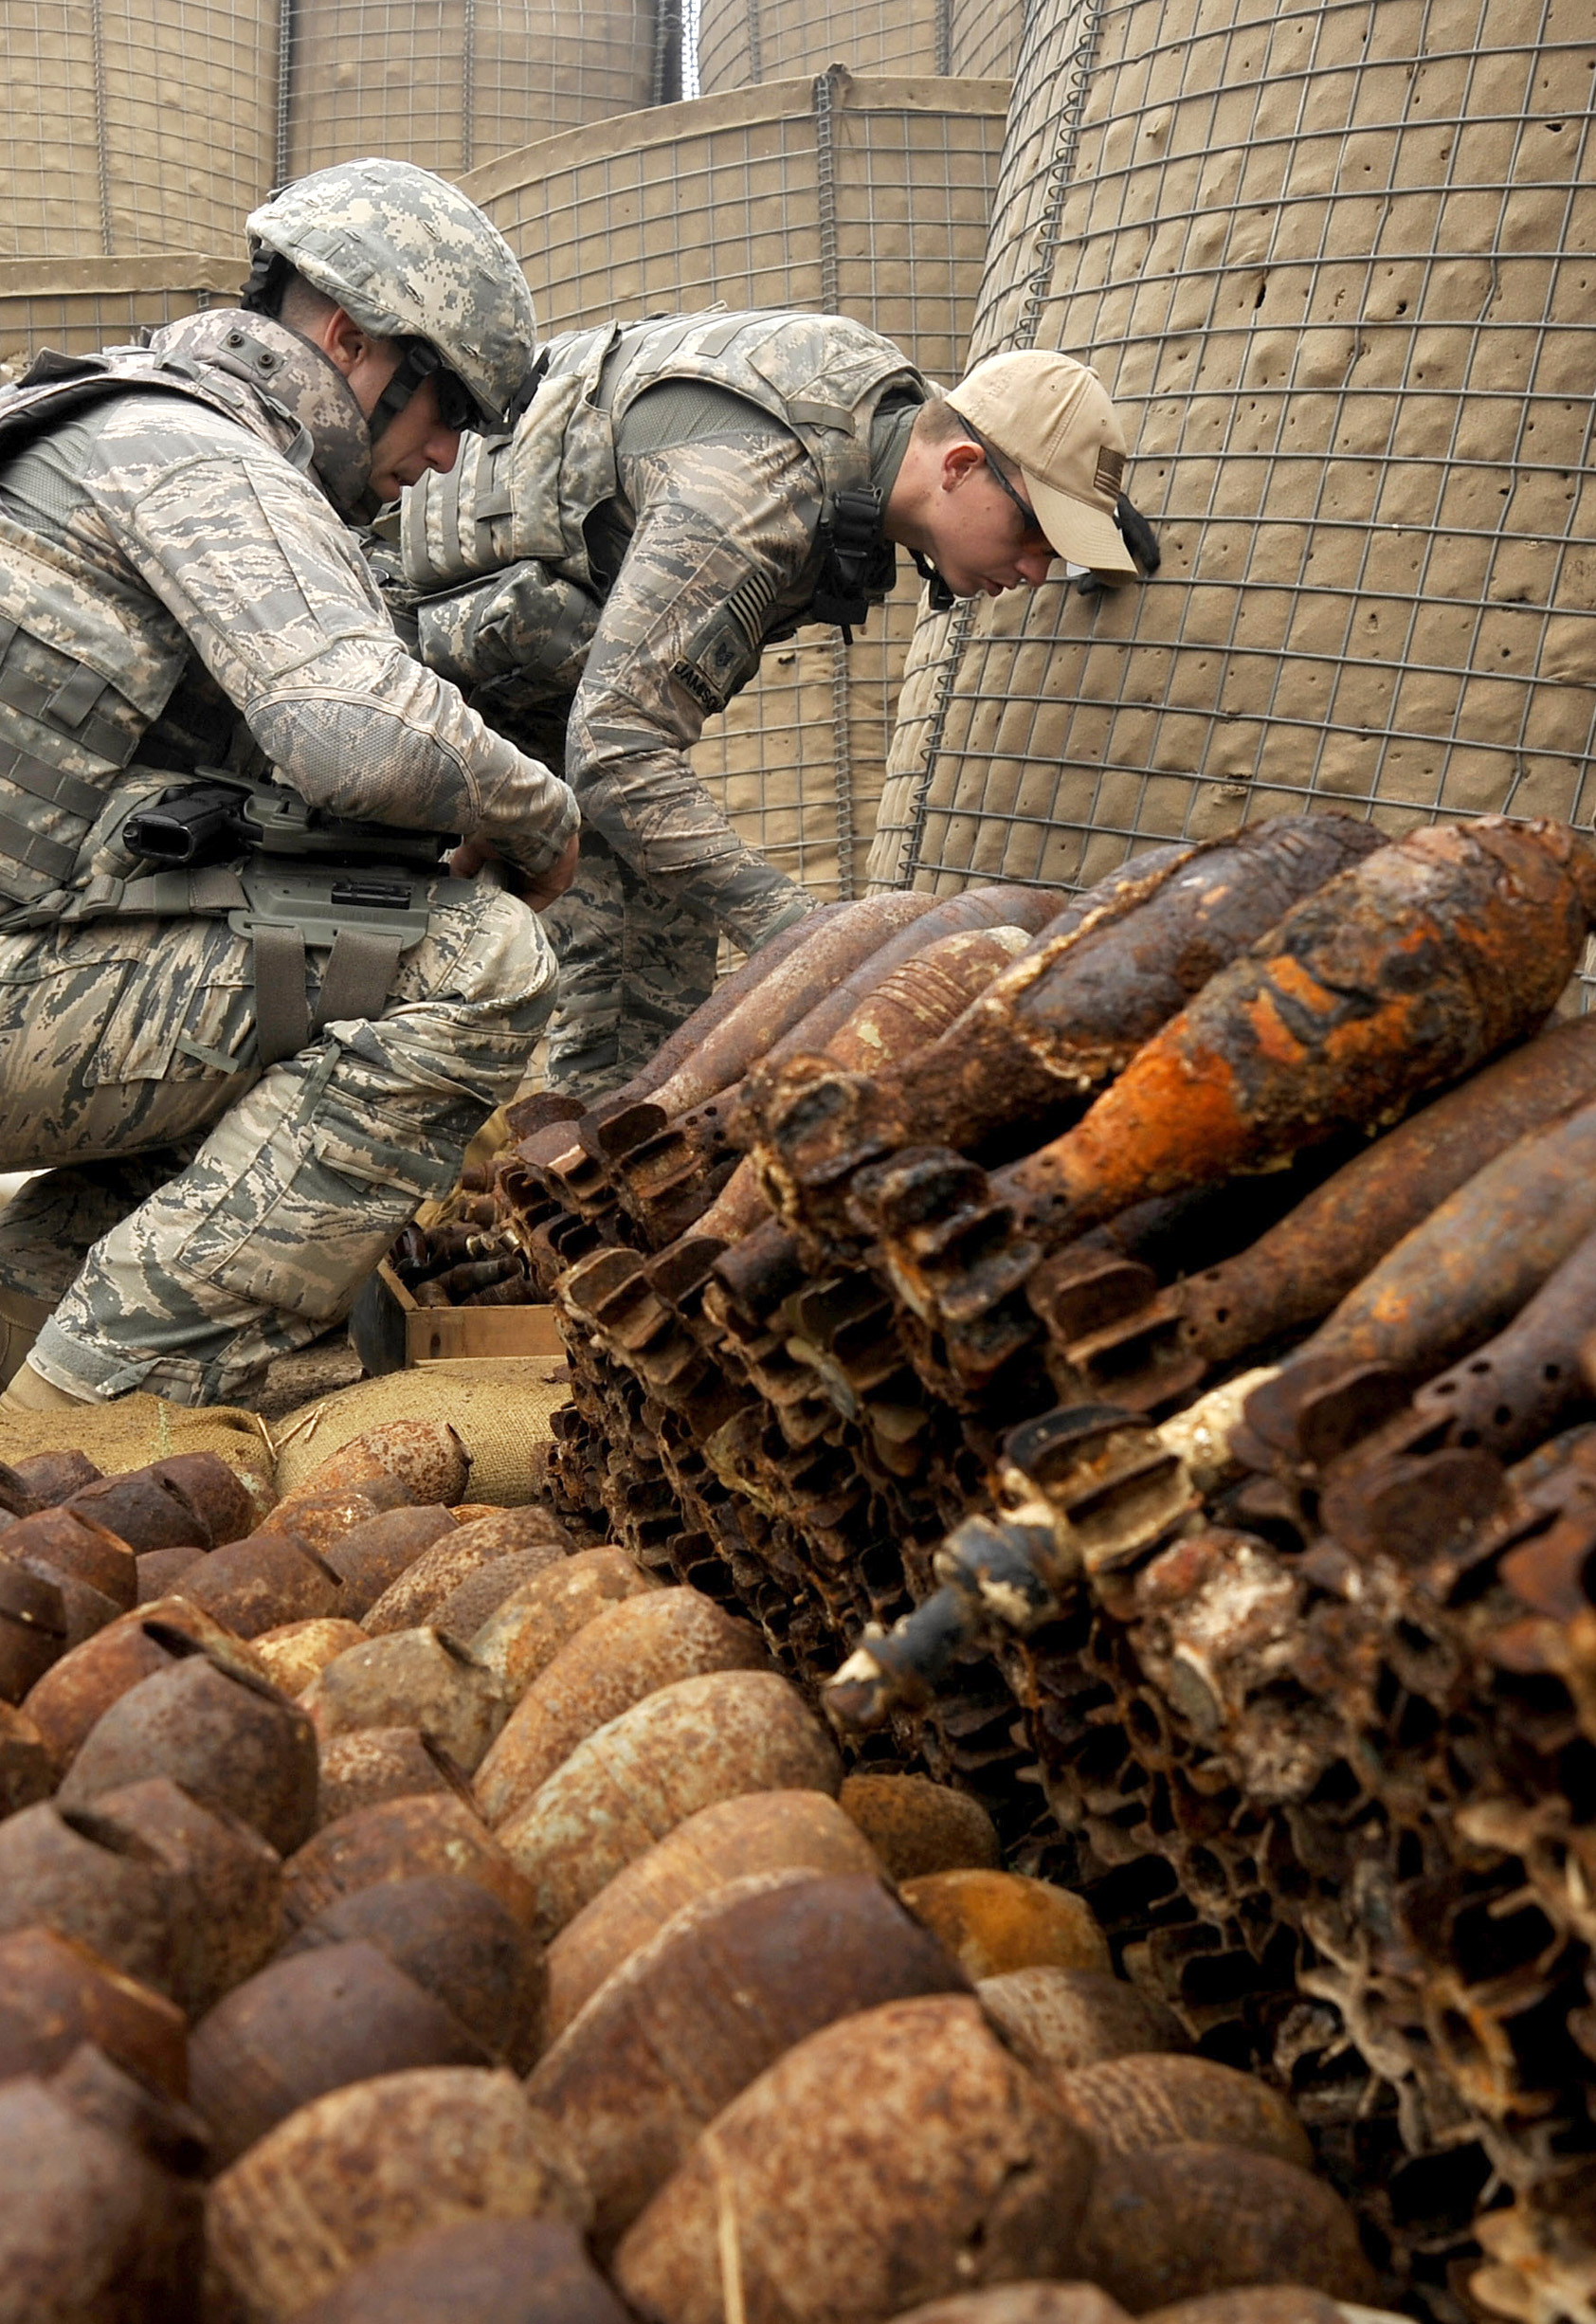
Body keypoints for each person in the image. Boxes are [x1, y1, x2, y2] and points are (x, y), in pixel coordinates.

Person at [0, 156, 580, 1412]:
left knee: (291, 1003)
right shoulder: (203, 458)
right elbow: (350, 732)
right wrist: (537, 811)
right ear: (353, 340)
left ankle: (22, 1352)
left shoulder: (77, 416)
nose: (439, 463)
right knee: (467, 961)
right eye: (443, 418)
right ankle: (100, 1419)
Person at [402, 322, 1152, 1098]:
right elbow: (616, 746)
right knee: (442, 970)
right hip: (404, 671)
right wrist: (804, 936)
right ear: (960, 467)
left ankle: (601, 1154)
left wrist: (1089, 534)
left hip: (537, 671)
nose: (1036, 568)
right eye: (1035, 532)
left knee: (652, 957)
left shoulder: (883, 417)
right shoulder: (756, 494)